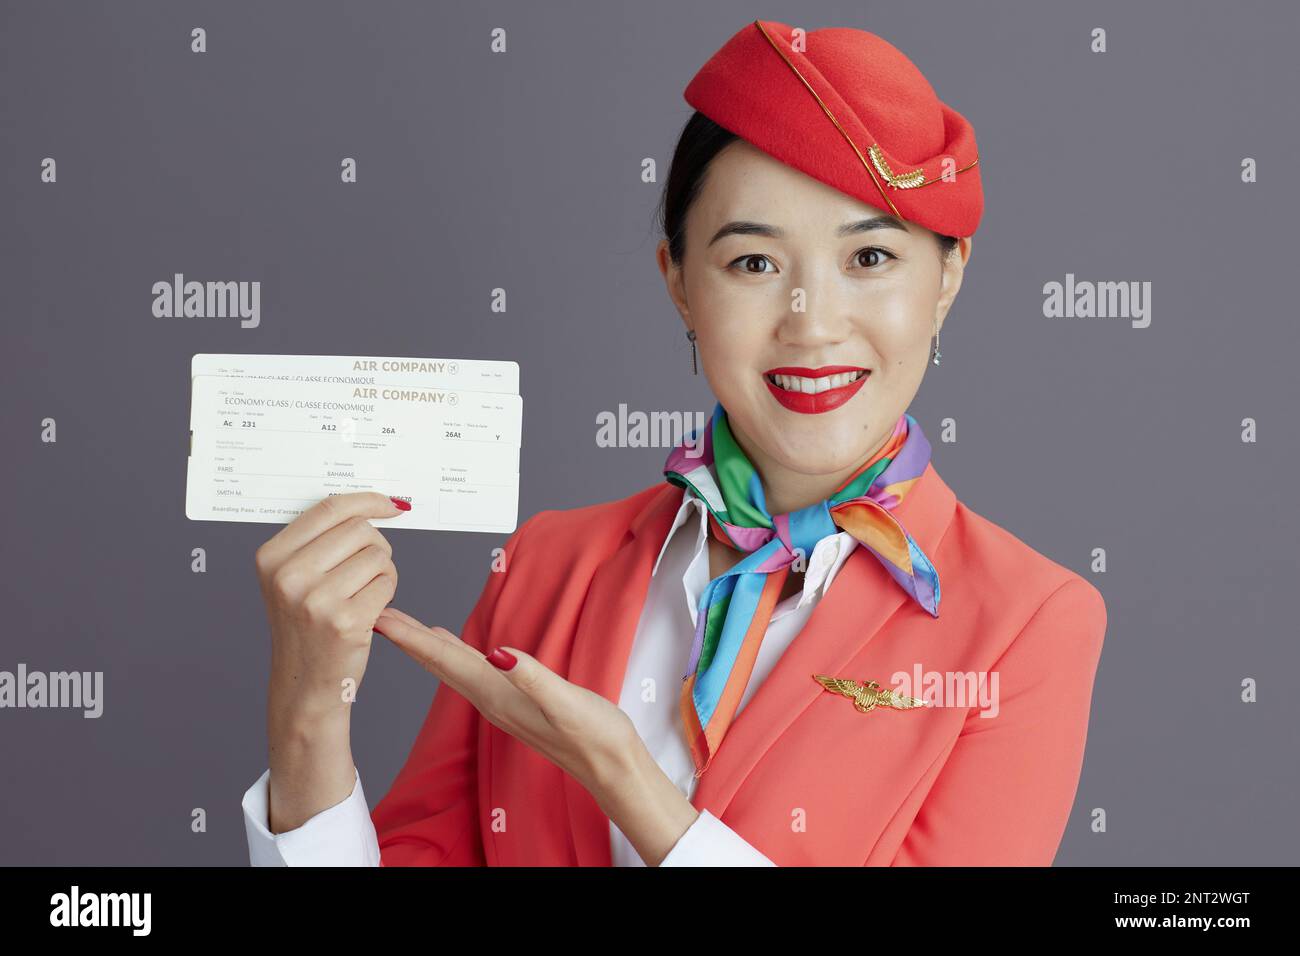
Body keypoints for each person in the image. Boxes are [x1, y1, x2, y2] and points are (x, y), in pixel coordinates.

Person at [241, 19, 1107, 866]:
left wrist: (628, 782)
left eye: (870, 259)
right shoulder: (546, 568)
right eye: (754, 264)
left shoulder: (1027, 626)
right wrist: (309, 708)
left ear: (948, 279)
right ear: (681, 287)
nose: (812, 326)